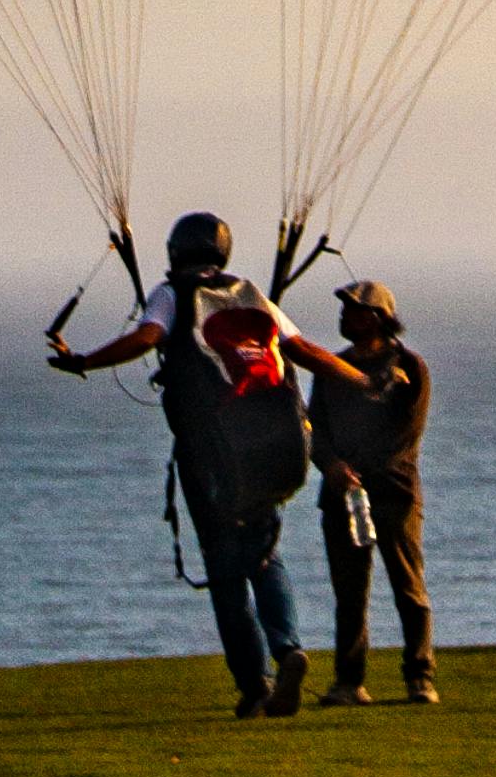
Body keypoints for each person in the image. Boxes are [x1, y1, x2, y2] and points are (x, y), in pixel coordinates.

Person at [50, 210, 363, 717]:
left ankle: (255, 686)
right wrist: (363, 380)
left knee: (225, 569)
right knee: (265, 554)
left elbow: (148, 337)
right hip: (267, 449)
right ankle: (288, 648)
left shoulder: (172, 294)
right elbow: (304, 350)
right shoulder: (251, 295)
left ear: (177, 250)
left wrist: (85, 360)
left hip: (211, 456)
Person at [308, 279, 438, 708]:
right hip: (341, 495)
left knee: (409, 588)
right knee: (349, 595)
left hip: (394, 493)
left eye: (355, 309)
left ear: (379, 317)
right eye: (345, 309)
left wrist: (359, 468)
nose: (345, 316)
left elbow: (408, 431)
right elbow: (314, 428)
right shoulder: (332, 368)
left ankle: (420, 677)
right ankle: (349, 681)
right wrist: (332, 467)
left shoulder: (410, 366)